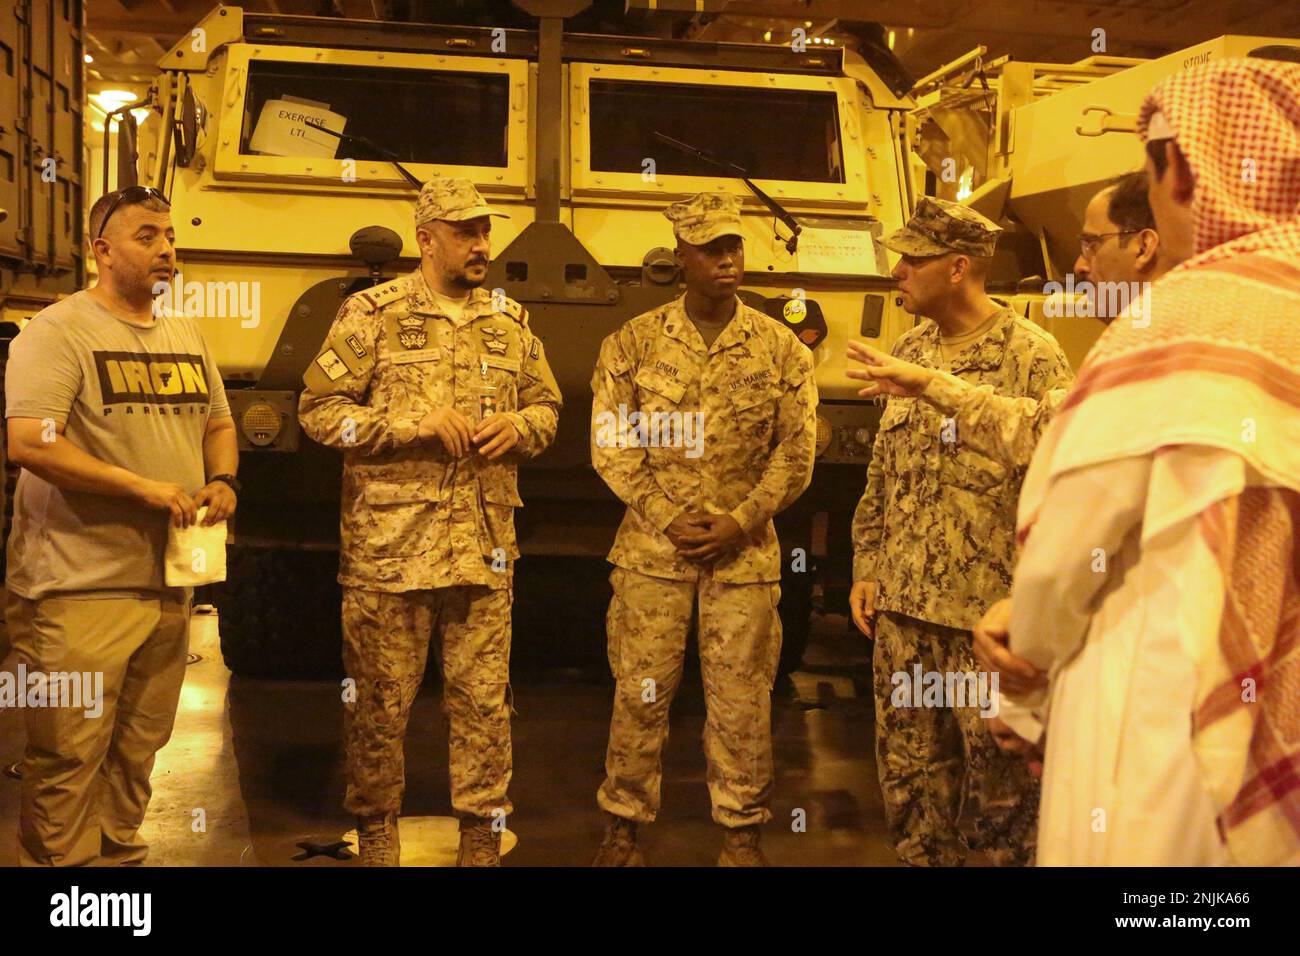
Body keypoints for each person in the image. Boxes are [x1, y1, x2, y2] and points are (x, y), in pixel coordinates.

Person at [978, 57, 1300, 866]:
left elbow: (1065, 557)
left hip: (1169, 717)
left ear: (1184, 174)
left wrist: (1023, 682)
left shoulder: (1181, 316)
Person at [298, 177, 562, 866]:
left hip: (484, 551)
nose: (481, 245)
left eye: (484, 231)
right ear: (426, 239)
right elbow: (320, 410)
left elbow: (548, 408)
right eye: (465, 232)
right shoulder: (371, 314)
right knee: (380, 708)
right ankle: (378, 831)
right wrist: (407, 425)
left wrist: (520, 426)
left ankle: (480, 836)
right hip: (391, 551)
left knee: (483, 707)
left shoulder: (510, 319)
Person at [5, 185, 238, 866]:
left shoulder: (185, 330)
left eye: (171, 238)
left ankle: (115, 870)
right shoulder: (58, 331)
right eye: (147, 236)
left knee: (138, 747)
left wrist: (221, 479)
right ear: (101, 250)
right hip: (77, 584)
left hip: (169, 582)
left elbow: (219, 422)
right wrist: (141, 489)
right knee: (69, 753)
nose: (166, 249)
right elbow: (32, 442)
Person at [589, 192, 816, 866]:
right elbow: (611, 443)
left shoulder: (780, 347)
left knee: (743, 700)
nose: (727, 261)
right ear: (680, 257)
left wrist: (740, 520)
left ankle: (742, 835)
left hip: (743, 559)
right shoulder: (631, 344)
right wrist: (666, 516)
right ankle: (623, 829)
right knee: (640, 693)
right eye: (712, 249)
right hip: (652, 556)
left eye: (735, 247)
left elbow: (796, 452)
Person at [849, 197, 1073, 866]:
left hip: (986, 621)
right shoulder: (910, 347)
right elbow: (885, 467)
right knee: (913, 790)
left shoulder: (1029, 353)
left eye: (912, 259)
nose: (898, 271)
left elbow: (1055, 452)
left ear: (958, 267)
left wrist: (938, 389)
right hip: (905, 613)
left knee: (1004, 802)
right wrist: (867, 561)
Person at [845, 171, 1174, 469]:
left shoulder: (1173, 357)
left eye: (1092, 244)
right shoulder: (1130, 355)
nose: (1078, 267)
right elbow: (1039, 431)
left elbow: (1040, 443)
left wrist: (930, 385)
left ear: (1143, 246)